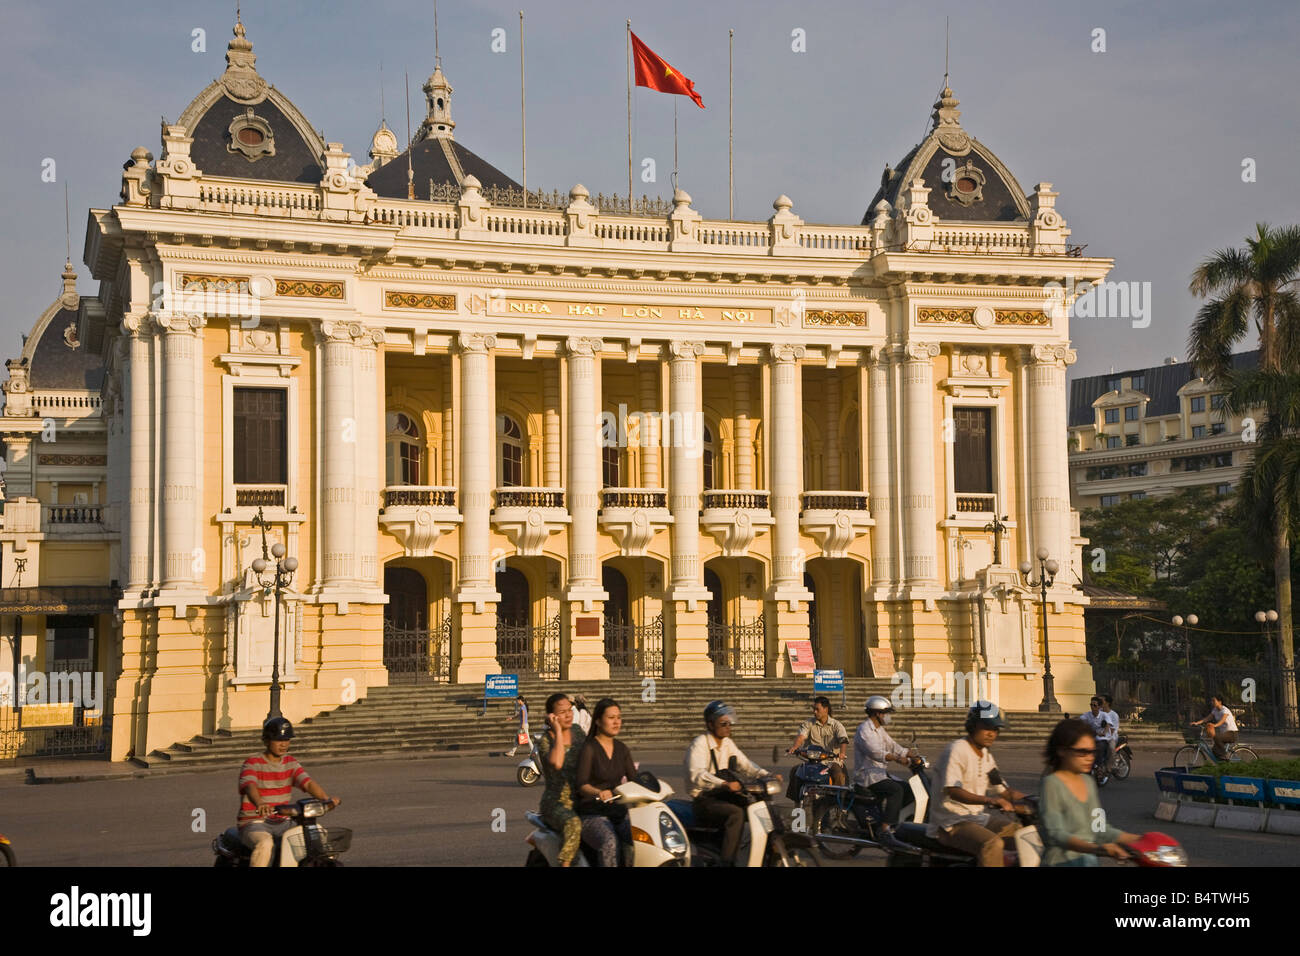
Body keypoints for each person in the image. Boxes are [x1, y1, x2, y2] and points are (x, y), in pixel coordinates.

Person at [928, 701, 1028, 867]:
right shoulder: (957, 749)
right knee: (993, 844)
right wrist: (990, 800)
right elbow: (953, 790)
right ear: (973, 726)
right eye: (987, 727)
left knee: (1022, 835)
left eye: (995, 729)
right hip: (950, 823)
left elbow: (1003, 791)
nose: (991, 734)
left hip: (977, 819)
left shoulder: (986, 756)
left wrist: (1037, 800)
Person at [237, 717, 340, 867]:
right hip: (254, 822)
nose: (284, 744)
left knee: (317, 834)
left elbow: (308, 783)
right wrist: (259, 803)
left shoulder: (290, 763)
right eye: (278, 739)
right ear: (266, 741)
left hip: (283, 821)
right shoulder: (252, 763)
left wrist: (326, 799)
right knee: (265, 844)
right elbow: (249, 785)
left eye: (287, 739)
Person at [685, 700, 776, 866]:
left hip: (723, 796)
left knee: (756, 807)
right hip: (704, 800)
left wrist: (767, 775)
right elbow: (696, 774)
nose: (728, 726)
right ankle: (727, 862)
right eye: (723, 723)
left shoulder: (727, 743)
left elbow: (746, 764)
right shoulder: (699, 744)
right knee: (736, 814)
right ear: (711, 725)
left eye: (729, 723)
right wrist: (723, 784)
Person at [1038, 718, 1140, 866]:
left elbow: (1100, 829)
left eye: (1093, 752)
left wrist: (1140, 839)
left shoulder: (1089, 782)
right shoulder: (1051, 784)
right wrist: (1097, 849)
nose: (1089, 758)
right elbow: (1056, 834)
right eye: (1082, 752)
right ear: (1062, 751)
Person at [575, 697, 637, 867]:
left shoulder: (622, 749)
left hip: (617, 811)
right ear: (598, 721)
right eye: (611, 718)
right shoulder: (589, 748)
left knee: (642, 838)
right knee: (609, 842)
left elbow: (635, 780)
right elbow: (582, 784)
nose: (616, 722)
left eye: (618, 717)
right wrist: (598, 792)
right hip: (592, 813)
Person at [853, 695, 919, 840]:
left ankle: (892, 820)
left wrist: (910, 754)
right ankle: (885, 828)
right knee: (896, 790)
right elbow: (875, 752)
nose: (888, 716)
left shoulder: (879, 730)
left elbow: (893, 745)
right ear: (878, 713)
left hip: (879, 773)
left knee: (909, 789)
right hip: (867, 776)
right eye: (886, 713)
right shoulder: (864, 730)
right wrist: (897, 758)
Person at [537, 693, 586, 866]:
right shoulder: (545, 740)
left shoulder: (578, 732)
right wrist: (557, 730)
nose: (568, 715)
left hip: (582, 798)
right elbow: (557, 763)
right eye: (562, 712)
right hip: (556, 802)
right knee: (573, 824)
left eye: (569, 710)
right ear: (552, 716)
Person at [787, 695, 850, 786]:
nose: (814, 712)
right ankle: (798, 799)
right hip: (812, 762)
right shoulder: (808, 723)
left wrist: (842, 753)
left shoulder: (836, 725)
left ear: (826, 709)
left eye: (817, 709)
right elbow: (801, 736)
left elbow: (843, 739)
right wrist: (795, 747)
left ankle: (837, 798)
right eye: (813, 709)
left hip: (831, 762)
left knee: (838, 775)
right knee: (795, 772)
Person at [1192, 694, 1239, 759]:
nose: (1212, 702)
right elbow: (1207, 718)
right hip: (1224, 734)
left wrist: (1215, 725)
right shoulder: (1215, 710)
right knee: (1214, 750)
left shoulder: (1225, 710)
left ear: (1219, 702)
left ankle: (1225, 755)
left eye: (1214, 701)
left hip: (1232, 733)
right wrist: (1197, 723)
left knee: (1216, 737)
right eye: (1212, 701)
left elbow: (1222, 720)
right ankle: (1223, 763)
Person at [1083, 696, 1115, 775]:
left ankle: (1104, 767)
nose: (1092, 707)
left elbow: (1108, 724)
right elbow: (1080, 719)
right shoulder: (1088, 715)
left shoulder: (1104, 715)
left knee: (1107, 748)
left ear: (1099, 707)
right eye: (1091, 705)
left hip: (1105, 738)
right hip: (1093, 738)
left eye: (1095, 705)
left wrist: (1104, 732)